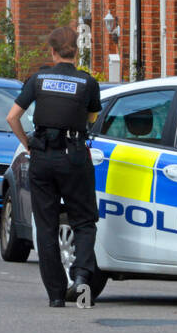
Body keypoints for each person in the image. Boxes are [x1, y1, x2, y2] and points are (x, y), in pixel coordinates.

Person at [5, 27, 103, 308]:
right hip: (74, 155)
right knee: (83, 221)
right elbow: (92, 118)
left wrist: (27, 144)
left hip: (43, 157)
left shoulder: (38, 79)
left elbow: (12, 117)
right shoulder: (88, 83)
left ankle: (56, 295)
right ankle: (82, 279)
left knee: (46, 226)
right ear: (77, 51)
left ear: (52, 51)